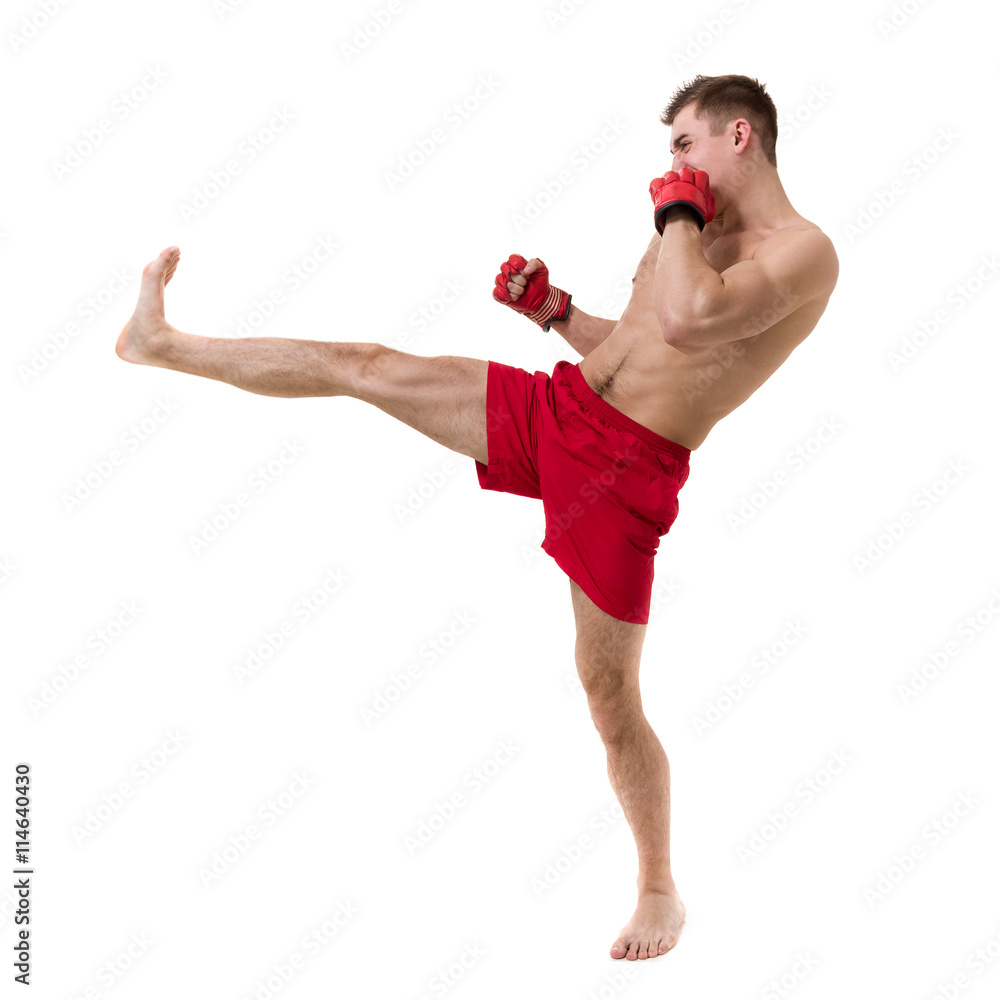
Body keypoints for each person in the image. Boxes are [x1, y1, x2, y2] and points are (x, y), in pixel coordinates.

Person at [116, 73, 839, 961]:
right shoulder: (692, 231)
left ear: (739, 136)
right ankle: (160, 343)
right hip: (561, 408)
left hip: (624, 471)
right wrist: (556, 313)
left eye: (683, 146)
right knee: (369, 363)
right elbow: (638, 347)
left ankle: (659, 886)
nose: (671, 168)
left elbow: (692, 326)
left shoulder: (801, 252)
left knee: (608, 694)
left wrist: (677, 215)